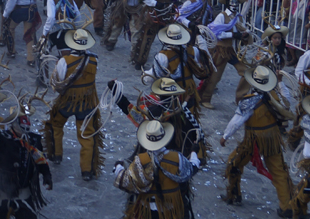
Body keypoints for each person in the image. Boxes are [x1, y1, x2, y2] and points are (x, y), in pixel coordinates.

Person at [221, 65, 294, 213]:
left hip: (252, 140)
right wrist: (280, 82)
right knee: (279, 171)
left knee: (234, 162)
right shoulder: (274, 95)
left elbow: (236, 121)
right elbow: (288, 102)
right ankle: (287, 207)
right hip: (272, 138)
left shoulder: (249, 101)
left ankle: (234, 195)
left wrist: (224, 136)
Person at [44, 29, 103, 181]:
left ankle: (56, 155)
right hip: (87, 103)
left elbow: (58, 85)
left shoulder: (64, 61)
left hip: (67, 102)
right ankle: (87, 171)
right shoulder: (94, 60)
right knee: (87, 135)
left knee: (55, 124)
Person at [114, 120, 196, 219]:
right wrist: (194, 152)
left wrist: (118, 167)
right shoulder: (177, 158)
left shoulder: (140, 160)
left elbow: (125, 181)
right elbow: (191, 169)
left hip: (147, 211)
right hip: (172, 211)